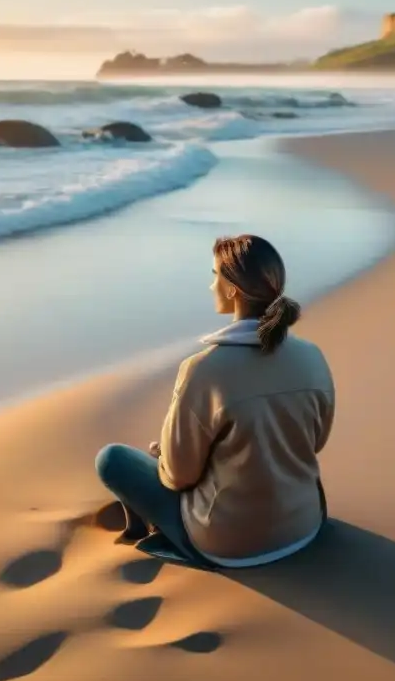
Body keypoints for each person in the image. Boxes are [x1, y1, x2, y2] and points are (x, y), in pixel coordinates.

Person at [95, 234, 335, 569]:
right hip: (304, 526)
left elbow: (178, 477)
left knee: (112, 460)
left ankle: (162, 533)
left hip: (228, 544)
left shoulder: (202, 370)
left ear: (233, 290)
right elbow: (315, 441)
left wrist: (164, 456)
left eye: (214, 276)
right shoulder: (312, 357)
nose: (211, 287)